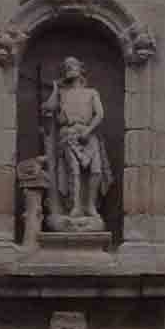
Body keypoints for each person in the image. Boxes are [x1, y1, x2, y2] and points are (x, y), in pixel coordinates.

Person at [46, 55, 111, 232]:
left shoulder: (91, 92)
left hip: (88, 134)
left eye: (73, 65)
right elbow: (49, 109)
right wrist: (55, 88)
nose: (69, 68)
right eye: (66, 66)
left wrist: (88, 131)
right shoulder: (62, 93)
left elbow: (99, 114)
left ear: (81, 69)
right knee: (73, 170)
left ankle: (90, 205)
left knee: (96, 170)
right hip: (69, 135)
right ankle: (75, 206)